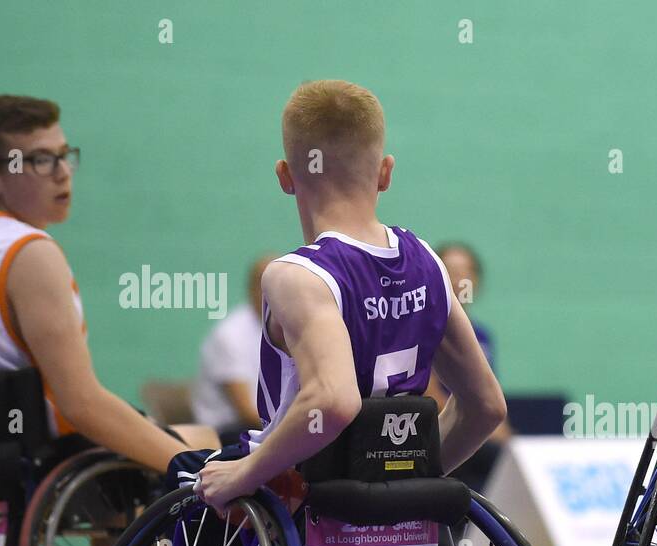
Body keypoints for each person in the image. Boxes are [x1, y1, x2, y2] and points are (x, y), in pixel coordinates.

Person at [188, 79, 505, 516]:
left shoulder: (296, 274)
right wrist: (410, 483)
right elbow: (486, 407)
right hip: (400, 522)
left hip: (294, 500)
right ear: (386, 172)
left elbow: (333, 402)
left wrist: (244, 474)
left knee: (186, 472)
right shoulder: (429, 262)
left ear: (285, 176)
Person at [0, 94, 214, 472]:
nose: (62, 172)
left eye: (64, 155)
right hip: (41, 455)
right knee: (204, 443)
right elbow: (81, 405)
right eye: (40, 160)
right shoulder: (29, 252)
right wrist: (190, 467)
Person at [422, 241, 509, 494]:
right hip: (443, 431)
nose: (460, 280)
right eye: (451, 271)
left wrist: (512, 447)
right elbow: (430, 397)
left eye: (466, 272)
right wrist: (475, 427)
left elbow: (491, 397)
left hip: (479, 429)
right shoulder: (424, 328)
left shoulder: (482, 336)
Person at [191, 255, 274, 443]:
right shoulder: (230, 336)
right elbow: (246, 411)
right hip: (227, 433)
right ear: (255, 289)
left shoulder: (280, 329)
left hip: (263, 426)